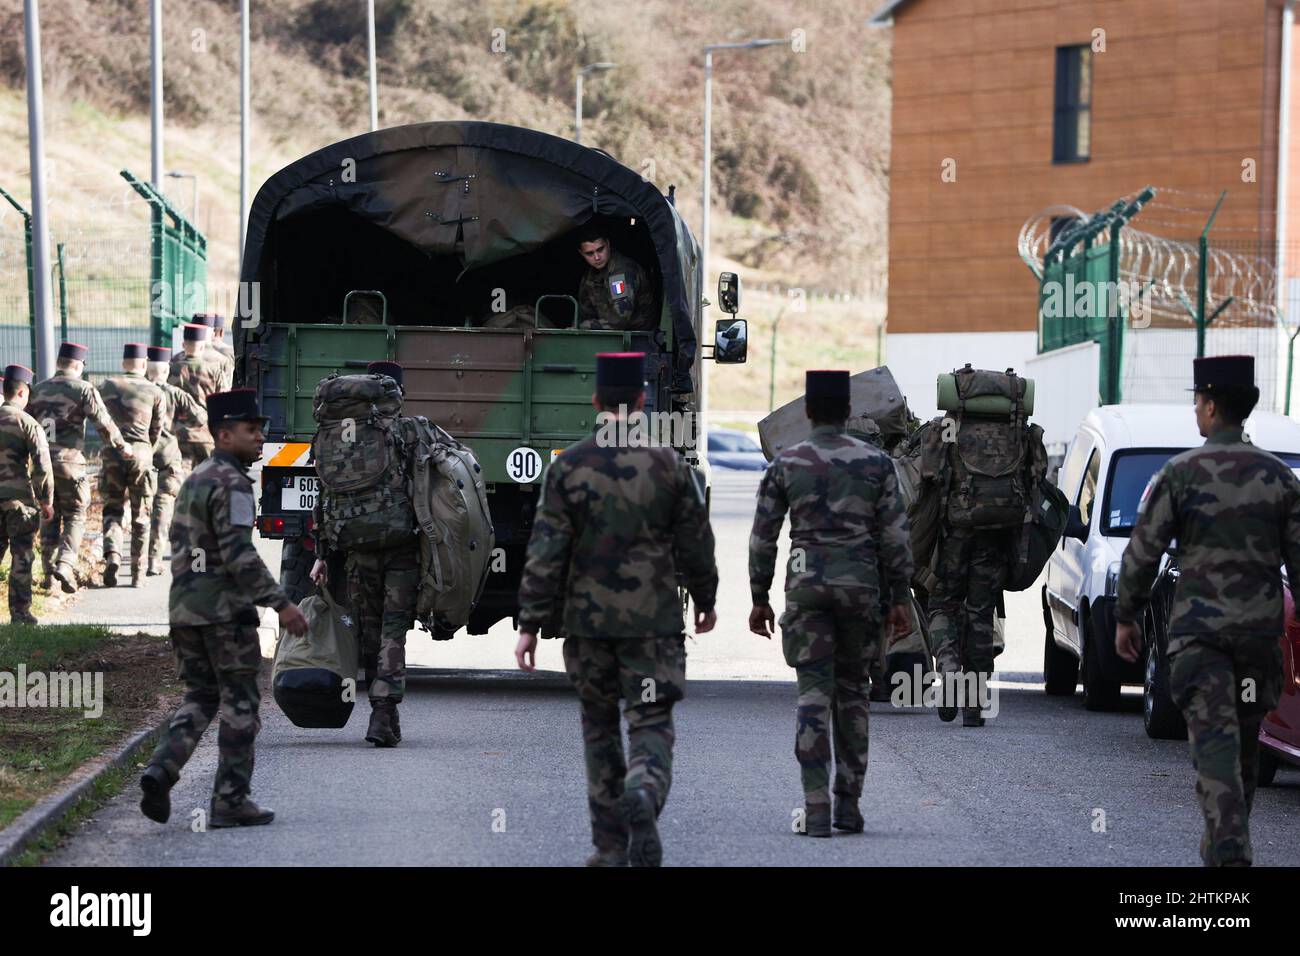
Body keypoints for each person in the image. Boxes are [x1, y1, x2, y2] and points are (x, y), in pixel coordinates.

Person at [515, 352, 718, 867]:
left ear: (595, 401)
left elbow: (545, 551)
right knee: (650, 720)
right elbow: (697, 542)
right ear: (643, 402)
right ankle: (644, 790)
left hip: (589, 628)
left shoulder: (568, 466)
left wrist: (531, 624)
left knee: (599, 728)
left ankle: (608, 847)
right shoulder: (669, 465)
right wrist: (706, 599)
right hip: (653, 625)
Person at [1115, 354, 1300, 867]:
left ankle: (1229, 849)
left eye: (1197, 401)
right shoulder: (1280, 480)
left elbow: (1143, 552)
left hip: (1202, 642)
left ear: (1211, 406)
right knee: (1243, 745)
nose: (1195, 409)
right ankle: (1225, 845)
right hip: (1258, 645)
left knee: (1215, 746)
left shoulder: (1182, 474)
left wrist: (1126, 616)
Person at [749, 370, 912, 837]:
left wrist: (760, 598)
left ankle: (815, 807)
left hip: (807, 591)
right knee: (854, 694)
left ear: (807, 412)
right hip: (860, 591)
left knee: (813, 696)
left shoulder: (787, 463)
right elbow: (896, 538)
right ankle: (849, 806)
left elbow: (763, 538)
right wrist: (899, 598)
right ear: (847, 411)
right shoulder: (876, 463)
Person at [139, 389, 308, 828]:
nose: (260, 438)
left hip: (185, 610)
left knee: (200, 695)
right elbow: (238, 553)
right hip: (224, 614)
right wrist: (281, 603)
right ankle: (230, 800)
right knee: (240, 703)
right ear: (224, 434)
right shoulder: (232, 482)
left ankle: (162, 768)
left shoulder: (197, 477)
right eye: (251, 430)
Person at [924, 366, 1046, 726]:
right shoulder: (1020, 429)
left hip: (955, 532)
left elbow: (929, 474)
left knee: (943, 603)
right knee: (981, 612)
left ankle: (948, 670)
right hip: (998, 532)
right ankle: (974, 705)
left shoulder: (947, 427)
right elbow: (1038, 477)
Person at [309, 360, 418, 748]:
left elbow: (325, 496)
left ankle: (381, 713)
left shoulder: (330, 436)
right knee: (394, 628)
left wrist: (322, 554)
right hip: (402, 548)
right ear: (396, 394)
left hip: (355, 548)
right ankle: (383, 712)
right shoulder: (408, 430)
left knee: (369, 629)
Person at [26, 342, 130, 593]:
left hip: (42, 464)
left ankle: (49, 576)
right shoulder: (83, 389)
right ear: (79, 365)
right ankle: (66, 563)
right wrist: (122, 446)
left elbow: (26, 424)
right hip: (71, 464)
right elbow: (103, 423)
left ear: (59, 362)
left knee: (48, 514)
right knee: (75, 515)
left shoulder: (37, 389)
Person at [98, 344, 163, 587]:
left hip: (112, 453)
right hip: (142, 454)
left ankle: (113, 555)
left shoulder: (106, 386)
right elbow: (157, 430)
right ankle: (137, 574)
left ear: (123, 363)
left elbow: (99, 419)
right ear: (144, 364)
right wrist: (146, 450)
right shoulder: (155, 391)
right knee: (141, 514)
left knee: (112, 509)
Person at [145, 345, 208, 576]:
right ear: (165, 371)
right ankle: (154, 559)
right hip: (166, 454)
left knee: (137, 505)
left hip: (138, 454)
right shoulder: (174, 393)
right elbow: (200, 417)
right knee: (164, 503)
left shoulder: (135, 389)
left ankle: (125, 556)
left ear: (146, 369)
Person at [0, 365, 53, 624]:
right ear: (22, 392)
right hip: (19, 502)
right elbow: (42, 466)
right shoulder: (28, 423)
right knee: (21, 556)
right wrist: (46, 501)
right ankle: (20, 614)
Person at [575, 226, 657, 331]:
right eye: (589, 253)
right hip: (610, 334)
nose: (597, 257)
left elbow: (620, 320)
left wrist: (583, 327)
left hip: (637, 335)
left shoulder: (621, 272)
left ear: (608, 244)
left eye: (600, 250)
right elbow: (584, 313)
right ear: (581, 253)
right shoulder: (590, 275)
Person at [169, 323, 224, 476]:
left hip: (179, 434)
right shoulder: (214, 370)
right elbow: (223, 402)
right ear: (202, 347)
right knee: (208, 477)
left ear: (183, 345)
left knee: (181, 478)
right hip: (206, 433)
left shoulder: (172, 369)